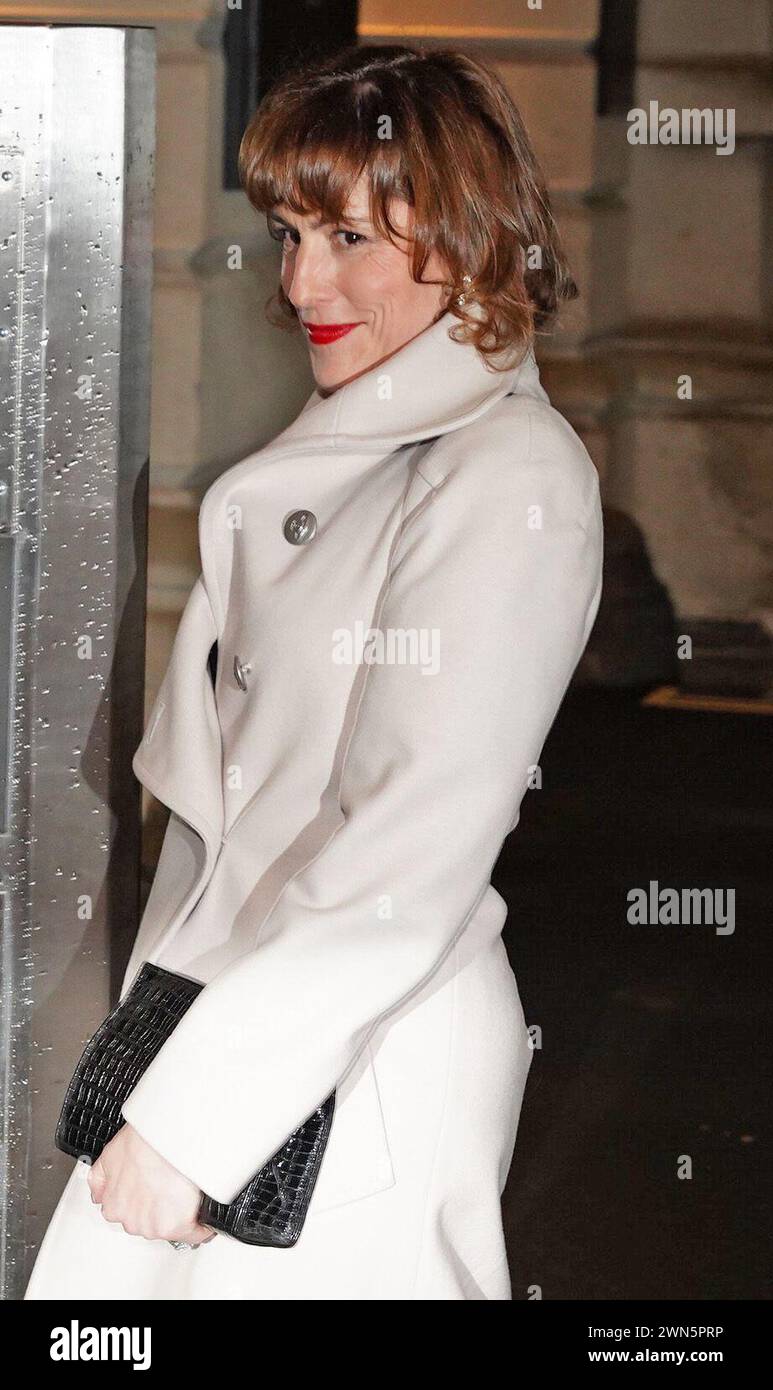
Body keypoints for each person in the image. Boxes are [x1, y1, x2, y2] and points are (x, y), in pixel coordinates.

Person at [25, 43, 603, 1301]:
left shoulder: (506, 474)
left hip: (347, 1071)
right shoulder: (359, 450)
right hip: (232, 1038)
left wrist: (195, 1120)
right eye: (289, 235)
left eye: (348, 237)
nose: (300, 283)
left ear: (466, 238)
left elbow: (411, 841)